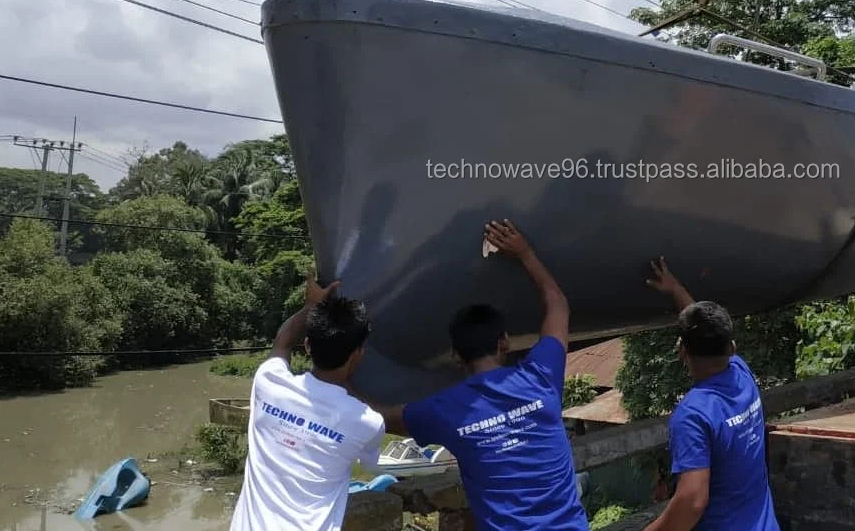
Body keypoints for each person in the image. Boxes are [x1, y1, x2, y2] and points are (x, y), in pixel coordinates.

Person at [369, 219, 587, 531]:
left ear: (456, 355)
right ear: (504, 342)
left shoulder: (444, 411)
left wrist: (340, 372)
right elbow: (558, 304)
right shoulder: (541, 376)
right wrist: (525, 252)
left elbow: (378, 418)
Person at [230, 273, 386, 531]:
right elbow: (370, 464)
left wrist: (310, 306)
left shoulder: (269, 383)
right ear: (359, 353)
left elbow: (282, 342)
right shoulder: (367, 422)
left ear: (307, 346)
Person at [642, 256, 779, 531]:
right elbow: (705, 324)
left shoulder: (693, 415)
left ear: (682, 351)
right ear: (732, 348)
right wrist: (675, 288)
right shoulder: (742, 375)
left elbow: (692, 501)